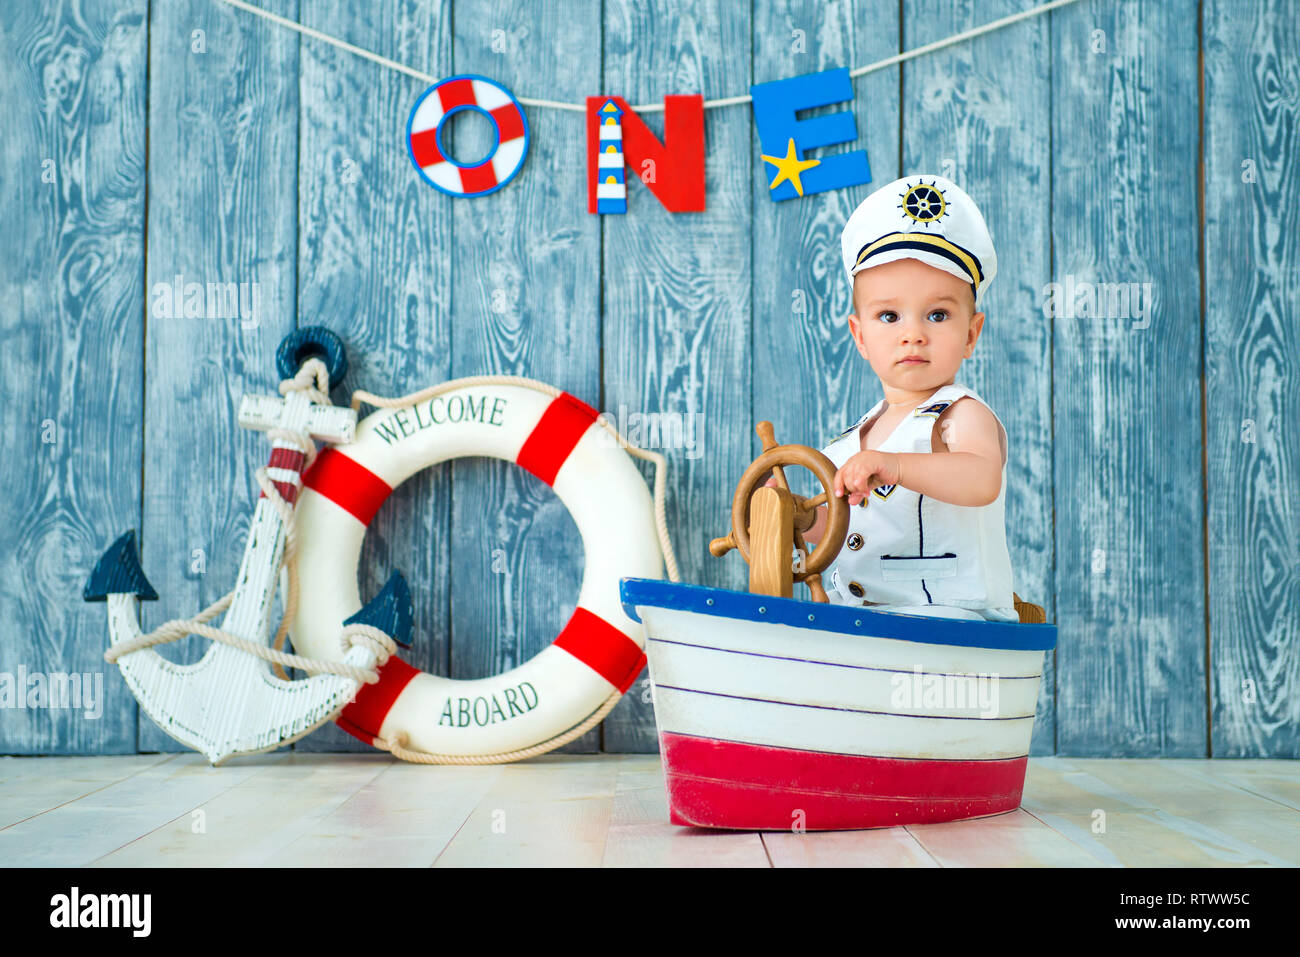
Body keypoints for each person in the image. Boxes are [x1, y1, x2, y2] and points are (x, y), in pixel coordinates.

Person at [799, 174, 1019, 623]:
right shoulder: (847, 444)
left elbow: (981, 478)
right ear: (860, 336)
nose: (913, 334)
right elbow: (844, 529)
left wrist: (897, 466)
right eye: (889, 315)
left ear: (971, 333)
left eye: (937, 315)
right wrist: (799, 520)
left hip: (953, 621)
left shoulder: (959, 415)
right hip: (863, 624)